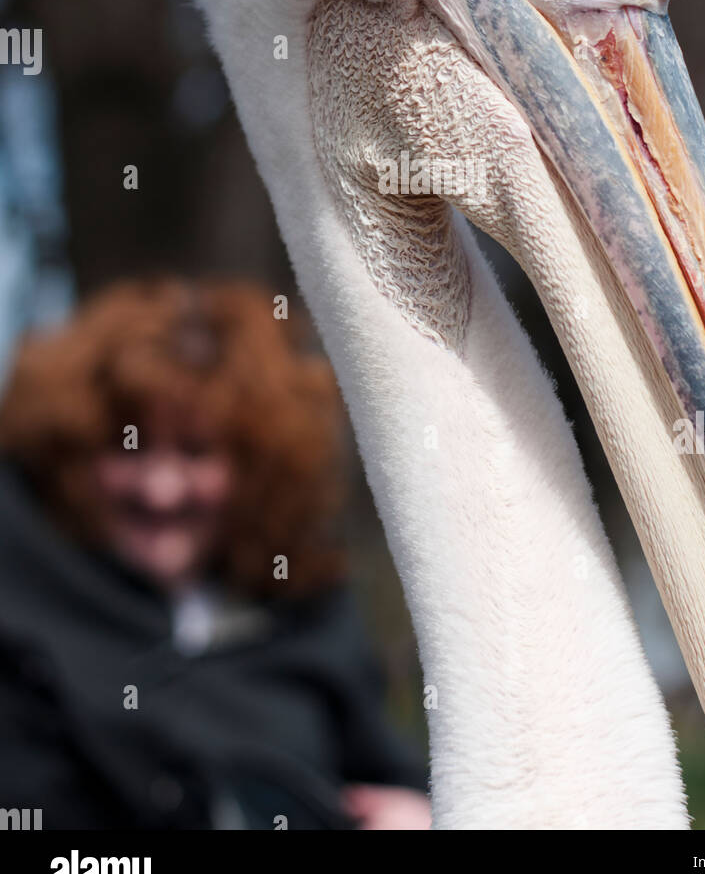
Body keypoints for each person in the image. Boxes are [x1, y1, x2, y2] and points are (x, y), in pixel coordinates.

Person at [0, 279, 430, 830]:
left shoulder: (309, 608)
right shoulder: (20, 592)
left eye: (195, 452)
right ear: (74, 450)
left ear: (254, 468)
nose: (159, 490)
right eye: (127, 447)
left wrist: (412, 813)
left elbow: (387, 772)